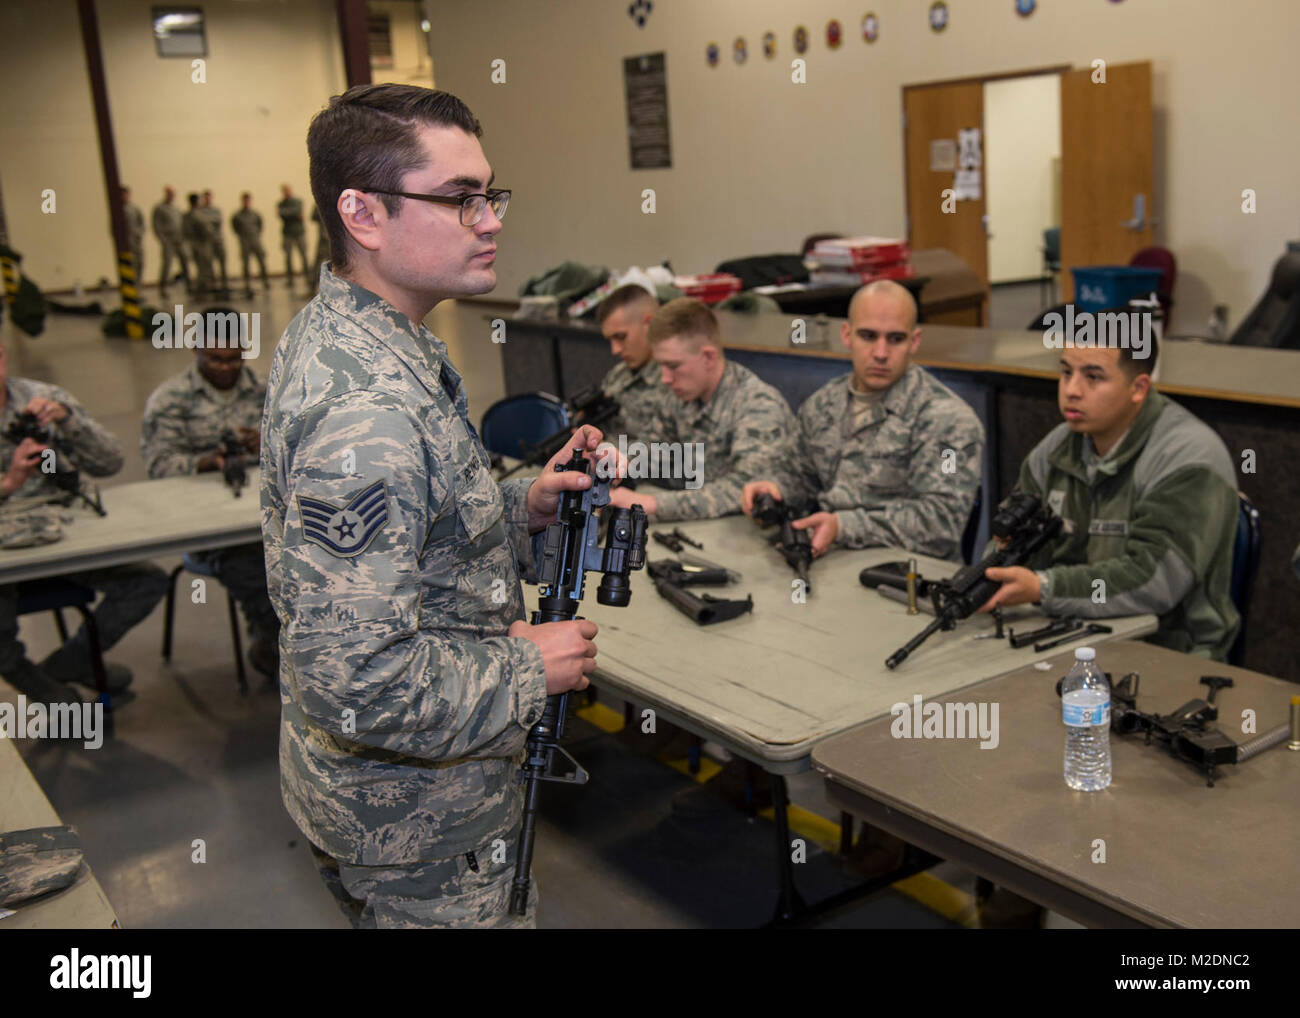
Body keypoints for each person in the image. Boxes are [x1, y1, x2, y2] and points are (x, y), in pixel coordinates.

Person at [262, 83, 618, 929]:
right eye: (460, 199)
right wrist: (530, 667)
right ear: (364, 214)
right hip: (416, 826)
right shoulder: (367, 407)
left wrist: (519, 506)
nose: (491, 219)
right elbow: (357, 679)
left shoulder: (367, 339)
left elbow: (417, 536)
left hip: (412, 800)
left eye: (489, 194)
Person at [980, 334, 1240, 660]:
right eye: (1065, 372)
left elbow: (1152, 582)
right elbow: (1010, 541)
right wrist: (990, 577)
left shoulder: (1188, 457)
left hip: (1169, 654)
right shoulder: (1057, 446)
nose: (1072, 390)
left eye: (1093, 377)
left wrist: (1044, 588)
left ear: (1139, 388)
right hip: (1066, 635)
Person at [740, 280, 984, 561]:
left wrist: (843, 527)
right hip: (826, 560)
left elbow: (940, 525)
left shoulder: (948, 421)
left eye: (895, 339)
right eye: (868, 336)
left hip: (906, 576)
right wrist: (775, 488)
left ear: (914, 342)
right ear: (847, 335)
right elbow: (801, 479)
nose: (880, 353)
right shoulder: (822, 405)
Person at [0, 344, 167, 702]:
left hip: (63, 535)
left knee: (145, 581)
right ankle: (34, 682)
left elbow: (108, 463)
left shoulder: (41, 399)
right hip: (5, 552)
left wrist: (66, 419)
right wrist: (9, 483)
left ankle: (69, 663)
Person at [140, 314, 279, 678]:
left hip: (265, 516)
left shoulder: (269, 389)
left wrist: (271, 443)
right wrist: (205, 463)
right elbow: (158, 466)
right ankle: (271, 643)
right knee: (252, 568)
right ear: (196, 349)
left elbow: (305, 447)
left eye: (234, 359)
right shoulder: (171, 400)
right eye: (214, 359)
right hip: (206, 528)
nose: (225, 368)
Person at [606, 297, 797, 521]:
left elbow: (744, 491)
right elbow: (657, 451)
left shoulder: (758, 407)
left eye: (673, 366)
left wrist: (654, 504)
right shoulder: (680, 395)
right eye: (660, 366)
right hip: (702, 520)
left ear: (708, 357)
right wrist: (615, 457)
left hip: (746, 527)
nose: (665, 378)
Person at [595, 283, 670, 443]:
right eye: (610, 340)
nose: (615, 350)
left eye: (621, 337)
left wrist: (602, 452)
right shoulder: (618, 375)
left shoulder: (675, 379)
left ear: (649, 324)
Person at [151, 186, 189, 297]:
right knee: (167, 264)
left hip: (179, 239)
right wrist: (163, 240)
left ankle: (189, 286)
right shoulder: (160, 208)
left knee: (185, 262)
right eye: (170, 193)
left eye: (173, 194)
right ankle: (163, 288)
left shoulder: (176, 208)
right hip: (168, 240)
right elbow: (156, 226)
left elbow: (181, 223)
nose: (172, 196)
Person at [231, 192, 271, 297]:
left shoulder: (255, 214)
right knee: (246, 264)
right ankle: (247, 284)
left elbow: (260, 225)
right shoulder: (237, 215)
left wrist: (256, 234)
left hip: (256, 240)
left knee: (261, 261)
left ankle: (265, 281)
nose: (246, 202)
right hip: (244, 242)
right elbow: (235, 227)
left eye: (248, 200)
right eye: (244, 200)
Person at [277, 185, 309, 290]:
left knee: (303, 255)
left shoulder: (297, 201)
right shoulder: (281, 204)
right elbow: (282, 214)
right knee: (288, 257)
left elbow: (294, 212)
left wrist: (288, 213)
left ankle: (308, 277)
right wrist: (293, 214)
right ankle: (290, 279)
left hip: (299, 232)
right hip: (287, 233)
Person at [182, 193, 214, 298]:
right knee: (204, 267)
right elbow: (207, 229)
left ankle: (201, 288)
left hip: (192, 243)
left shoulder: (186, 216)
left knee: (200, 267)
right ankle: (203, 289)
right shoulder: (198, 215)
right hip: (201, 243)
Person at [200, 190, 229, 293]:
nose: (207, 199)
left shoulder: (216, 210)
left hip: (218, 239)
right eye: (205, 197)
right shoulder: (200, 211)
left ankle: (224, 283)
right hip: (207, 241)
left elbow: (218, 221)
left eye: (209, 197)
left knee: (223, 262)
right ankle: (212, 284)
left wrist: (208, 221)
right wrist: (210, 221)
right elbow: (202, 223)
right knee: (209, 263)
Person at [121, 186, 145, 284]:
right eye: (123, 195)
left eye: (126, 194)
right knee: (129, 266)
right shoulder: (119, 209)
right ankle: (130, 290)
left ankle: (138, 289)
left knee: (140, 264)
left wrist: (139, 234)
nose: (125, 197)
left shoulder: (135, 209)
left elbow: (142, 223)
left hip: (136, 241)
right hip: (126, 242)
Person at [308, 205, 331, 292]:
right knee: (317, 264)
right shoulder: (319, 205)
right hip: (323, 239)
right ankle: (312, 288)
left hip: (333, 240)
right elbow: (313, 217)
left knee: (334, 266)